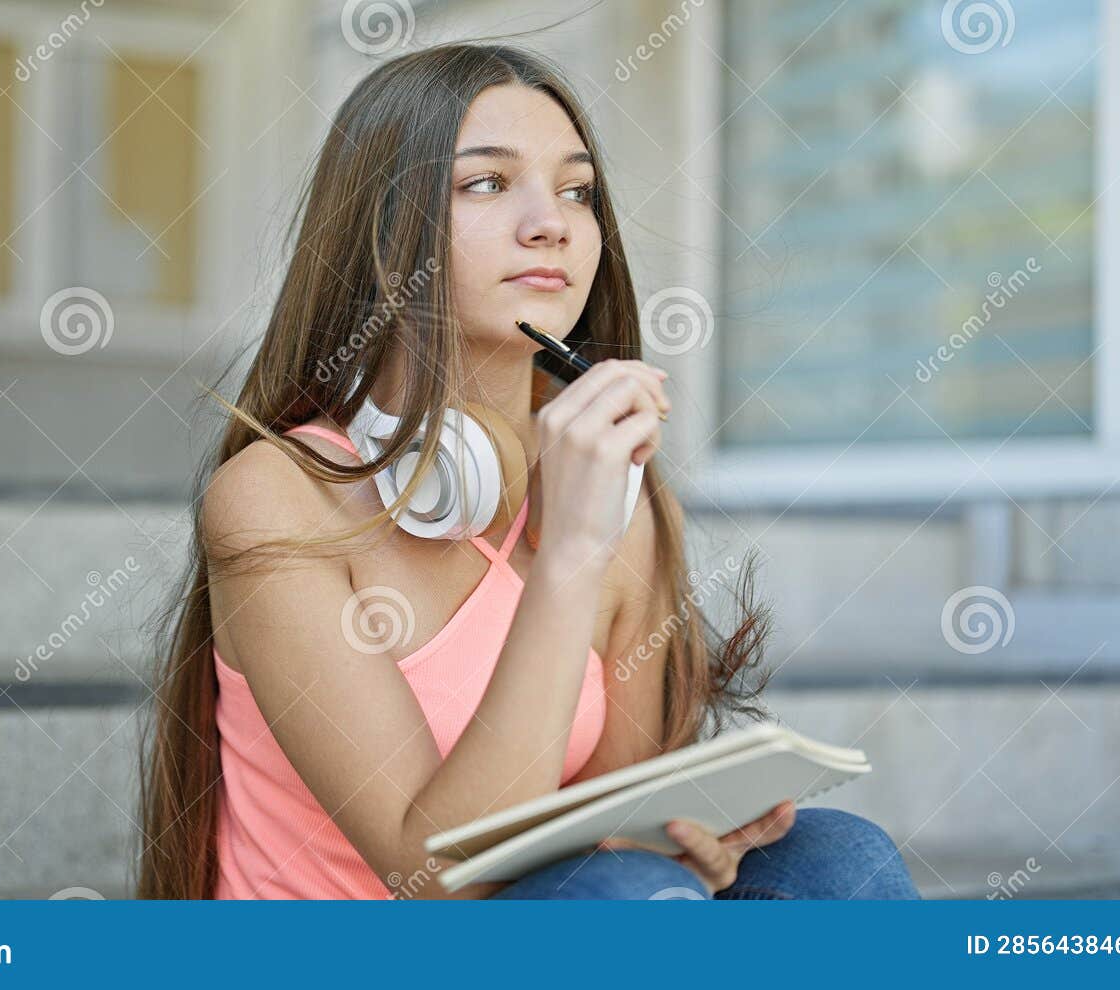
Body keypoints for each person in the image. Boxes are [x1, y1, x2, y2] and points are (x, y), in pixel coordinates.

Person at [136, 42, 919, 902]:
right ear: (386, 237)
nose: (552, 222)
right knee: (620, 896)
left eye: (576, 191)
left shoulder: (611, 491)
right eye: (487, 184)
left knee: (841, 860)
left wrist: (690, 843)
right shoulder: (279, 499)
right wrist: (571, 556)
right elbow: (431, 875)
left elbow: (614, 827)